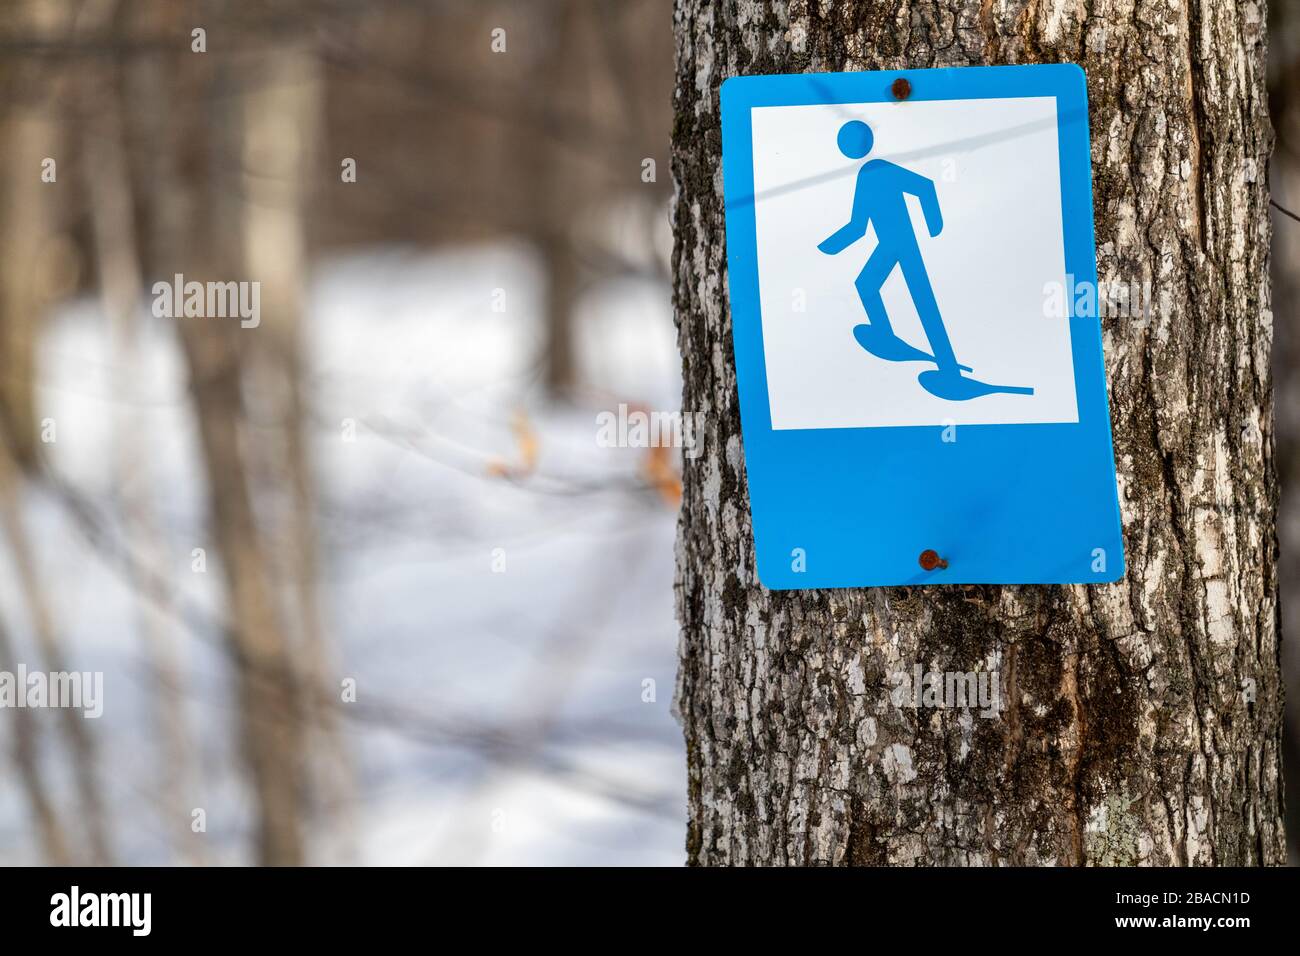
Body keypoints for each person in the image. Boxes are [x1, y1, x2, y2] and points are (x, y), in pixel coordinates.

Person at [818, 120, 1032, 400]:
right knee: (866, 285)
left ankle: (950, 372)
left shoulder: (879, 169)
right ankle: (885, 334)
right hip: (888, 245)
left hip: (905, 246)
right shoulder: (866, 175)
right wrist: (828, 247)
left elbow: (924, 186)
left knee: (924, 303)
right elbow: (858, 226)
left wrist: (935, 225)